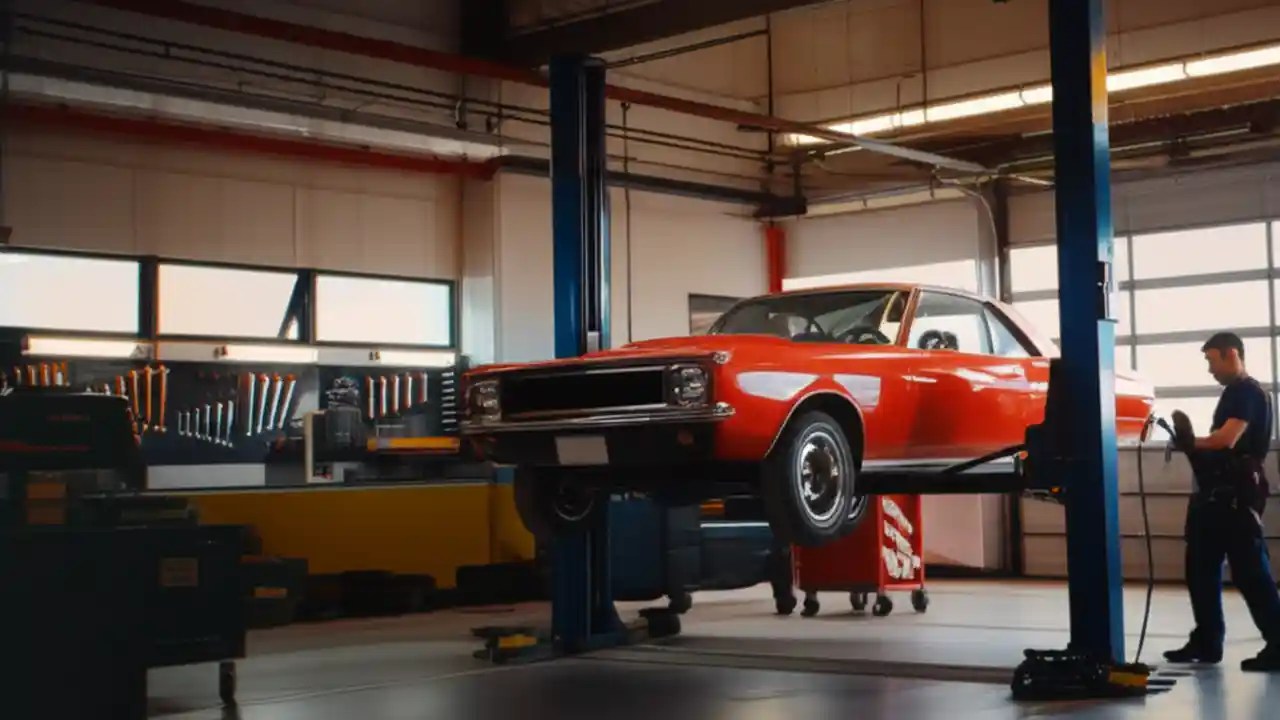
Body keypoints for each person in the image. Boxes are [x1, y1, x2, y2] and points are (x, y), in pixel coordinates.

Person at [1164, 331, 1280, 671]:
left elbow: (1226, 440)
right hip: (1215, 495)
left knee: (1250, 571)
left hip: (1236, 495)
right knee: (1200, 567)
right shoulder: (1233, 393)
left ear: (1231, 354)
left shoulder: (1247, 392)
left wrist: (1190, 442)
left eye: (1211, 360)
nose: (1210, 370)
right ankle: (1207, 640)